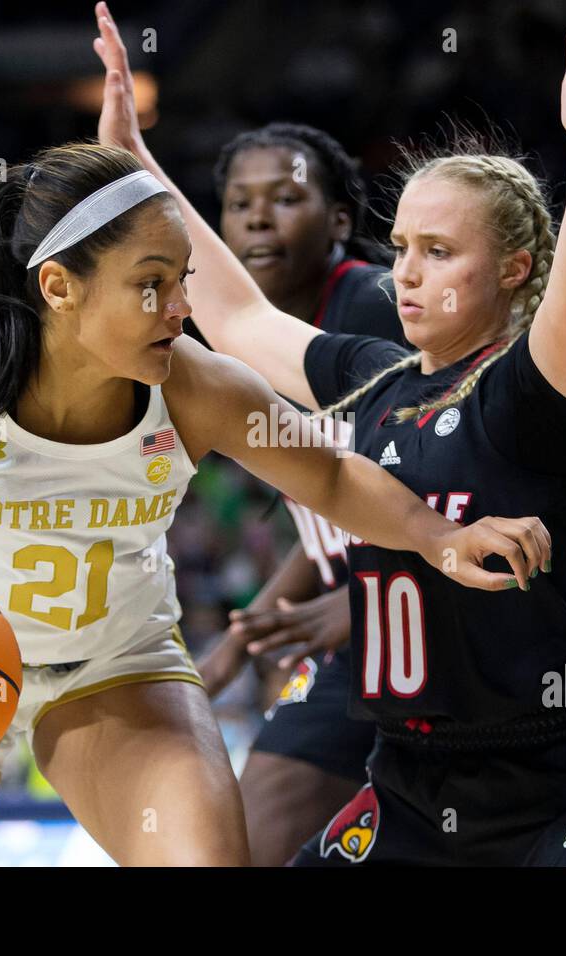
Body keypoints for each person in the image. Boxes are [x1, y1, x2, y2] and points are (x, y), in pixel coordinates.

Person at [0, 139, 549, 866]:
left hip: (113, 670)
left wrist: (440, 537)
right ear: (58, 287)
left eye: (183, 279)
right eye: (152, 283)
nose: (181, 307)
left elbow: (335, 478)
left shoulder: (195, 385)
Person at [93, 0, 566, 864]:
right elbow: (238, 317)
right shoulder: (375, 377)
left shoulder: (531, 390)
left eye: (439, 252)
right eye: (401, 246)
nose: (406, 271)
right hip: (407, 782)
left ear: (514, 269)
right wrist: (135, 164)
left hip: (553, 782)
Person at [192, 122, 404, 865]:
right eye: (238, 202)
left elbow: (455, 483)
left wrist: (360, 604)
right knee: (245, 843)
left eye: (286, 197)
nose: (256, 216)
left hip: (442, 619)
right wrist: (243, 636)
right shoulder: (255, 343)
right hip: (362, 636)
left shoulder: (378, 305)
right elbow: (332, 523)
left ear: (339, 220)